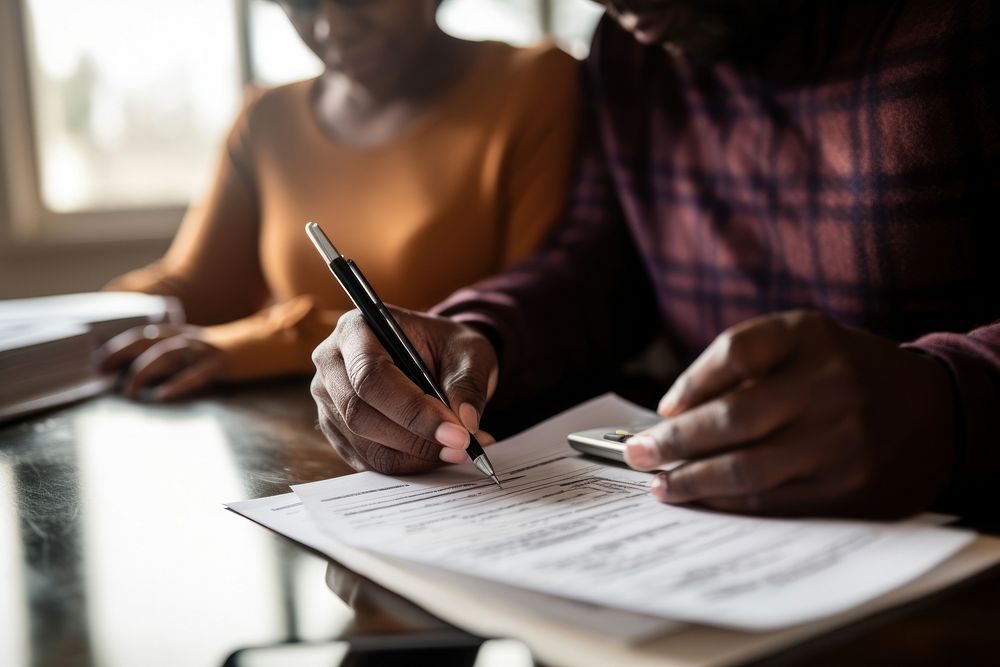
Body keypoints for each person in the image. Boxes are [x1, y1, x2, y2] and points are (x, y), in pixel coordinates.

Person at [310, 0, 1000, 518]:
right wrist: (474, 334)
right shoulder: (629, 54)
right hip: (721, 527)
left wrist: (945, 400)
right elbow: (597, 267)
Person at [96, 0, 579, 400]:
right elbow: (196, 289)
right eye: (302, 5)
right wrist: (72, 324)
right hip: (296, 430)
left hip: (461, 425)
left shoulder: (534, 83)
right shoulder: (268, 117)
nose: (332, 28)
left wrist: (262, 344)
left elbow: (529, 314)